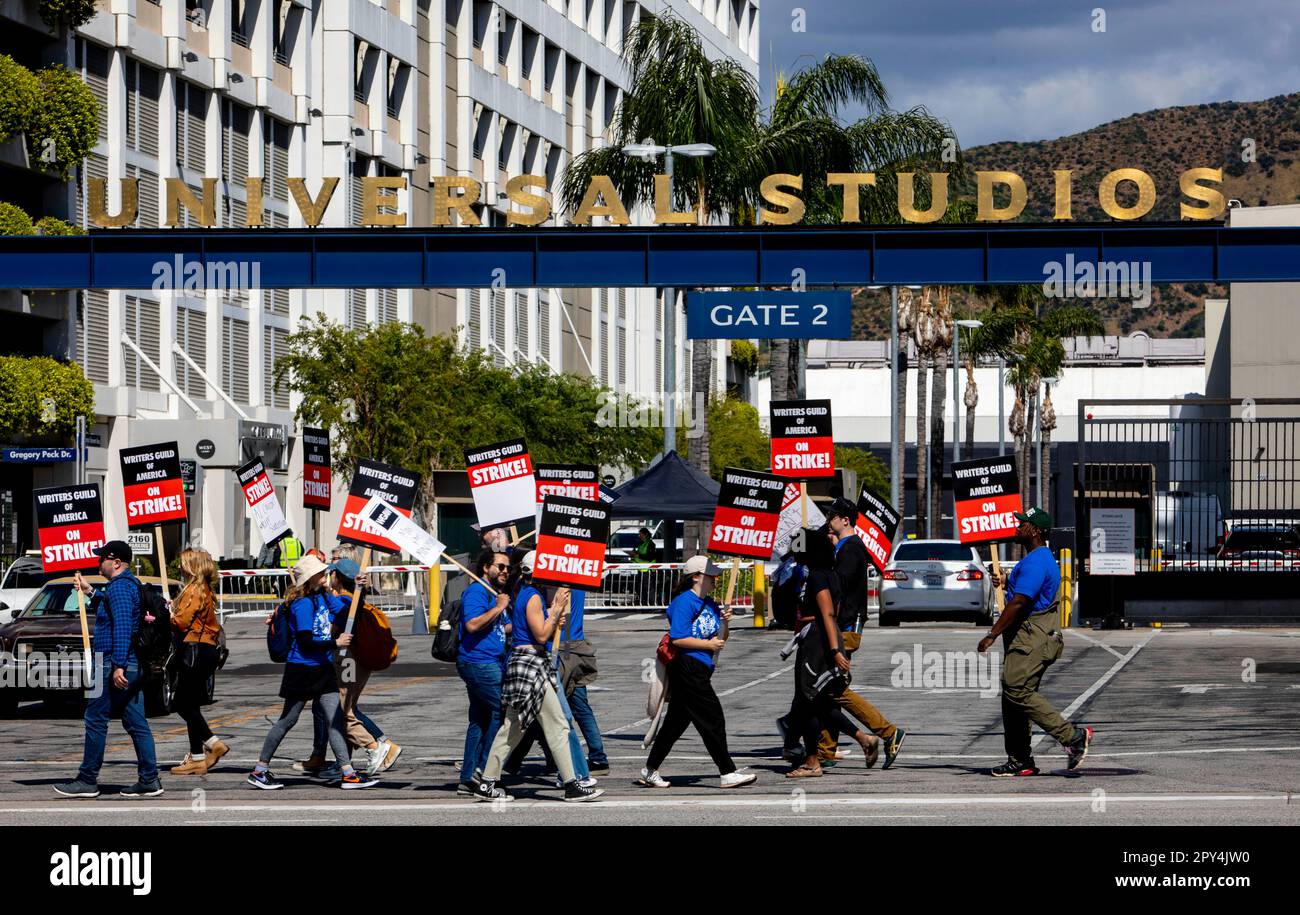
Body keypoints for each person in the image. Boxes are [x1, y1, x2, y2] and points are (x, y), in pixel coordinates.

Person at [474, 551, 603, 802]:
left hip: (531, 665)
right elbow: (542, 636)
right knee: (552, 726)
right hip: (530, 666)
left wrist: (556, 617)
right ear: (538, 574)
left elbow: (544, 631)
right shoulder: (532, 597)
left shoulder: (528, 594)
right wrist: (554, 612)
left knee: (517, 727)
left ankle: (488, 782)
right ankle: (571, 784)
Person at [247, 554, 377, 789]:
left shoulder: (323, 597)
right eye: (320, 573)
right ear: (310, 578)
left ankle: (347, 773)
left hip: (322, 669)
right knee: (287, 720)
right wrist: (335, 643)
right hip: (302, 669)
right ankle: (259, 770)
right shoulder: (303, 604)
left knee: (335, 719)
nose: (325, 575)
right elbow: (306, 641)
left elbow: (350, 612)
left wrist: (359, 589)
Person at [981, 508, 1093, 776]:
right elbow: (1025, 589)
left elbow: (1020, 603)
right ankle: (1020, 759)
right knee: (1012, 697)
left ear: (1035, 530)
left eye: (1023, 524)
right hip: (1032, 638)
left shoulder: (1036, 561)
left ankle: (1073, 737)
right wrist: (1006, 580)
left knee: (1017, 691)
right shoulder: (1037, 559)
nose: (1017, 527)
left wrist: (992, 633)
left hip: (1031, 639)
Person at [638, 554, 758, 790]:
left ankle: (650, 770)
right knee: (712, 718)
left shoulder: (711, 603)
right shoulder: (684, 602)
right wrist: (708, 645)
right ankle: (727, 771)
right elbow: (679, 638)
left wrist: (726, 622)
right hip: (686, 665)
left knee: (675, 723)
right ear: (695, 577)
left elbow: (721, 639)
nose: (715, 578)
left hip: (702, 667)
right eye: (710, 574)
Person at [54, 541, 162, 798]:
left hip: (114, 662)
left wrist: (118, 666)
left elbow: (123, 627)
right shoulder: (123, 586)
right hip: (127, 662)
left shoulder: (121, 588)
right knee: (136, 722)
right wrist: (91, 592)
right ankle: (149, 779)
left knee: (95, 719)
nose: (97, 562)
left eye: (102, 558)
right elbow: (114, 609)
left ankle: (87, 779)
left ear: (116, 563)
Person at [783, 529, 879, 777]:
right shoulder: (829, 575)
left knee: (807, 702)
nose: (797, 555)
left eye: (799, 550)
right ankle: (864, 739)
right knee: (821, 702)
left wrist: (835, 649)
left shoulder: (817, 576)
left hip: (817, 642)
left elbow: (827, 613)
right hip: (818, 637)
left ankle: (812, 762)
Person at [824, 497, 907, 769]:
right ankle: (824, 749)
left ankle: (887, 732)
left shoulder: (850, 550)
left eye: (832, 516)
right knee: (826, 688)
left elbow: (838, 589)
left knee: (833, 688)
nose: (829, 520)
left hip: (845, 628)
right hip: (844, 626)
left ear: (844, 520)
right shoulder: (848, 548)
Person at [327, 558, 402, 774]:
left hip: (348, 660)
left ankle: (378, 747)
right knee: (349, 708)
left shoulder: (342, 602)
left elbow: (333, 629)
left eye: (332, 573)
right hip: (359, 660)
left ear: (338, 578)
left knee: (342, 710)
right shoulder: (356, 601)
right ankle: (345, 762)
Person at [167, 548, 229, 775]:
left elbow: (182, 623)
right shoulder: (203, 590)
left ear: (192, 566)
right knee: (191, 704)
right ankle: (198, 757)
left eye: (183, 563)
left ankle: (213, 744)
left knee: (182, 703)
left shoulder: (194, 590)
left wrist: (167, 614)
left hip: (195, 650)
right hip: (204, 651)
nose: (180, 567)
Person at [455, 549, 512, 796]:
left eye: (508, 568)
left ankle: (468, 777)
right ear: (486, 567)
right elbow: (473, 624)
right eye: (500, 566)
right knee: (501, 715)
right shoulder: (477, 591)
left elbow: (500, 628)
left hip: (491, 661)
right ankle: (484, 772)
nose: (505, 572)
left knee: (480, 719)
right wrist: (499, 607)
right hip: (480, 663)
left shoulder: (494, 593)